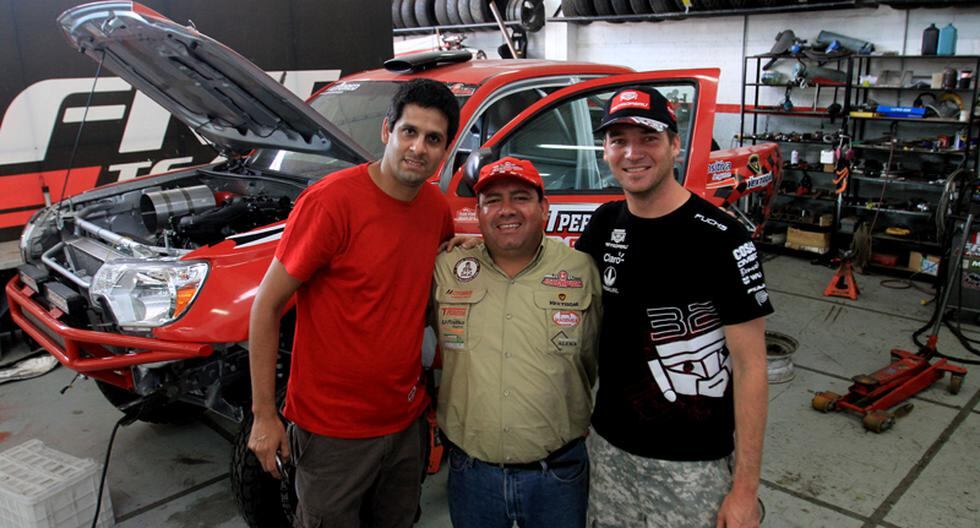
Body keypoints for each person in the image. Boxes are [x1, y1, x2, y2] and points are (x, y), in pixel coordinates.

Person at [247, 78, 459, 528]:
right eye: (409, 131)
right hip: (332, 434)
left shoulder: (436, 210)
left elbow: (422, 307)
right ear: (387, 131)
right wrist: (264, 414)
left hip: (405, 424)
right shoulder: (330, 204)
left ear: (445, 149)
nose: (418, 147)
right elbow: (266, 307)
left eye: (433, 138)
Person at [575, 86, 773, 528]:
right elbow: (554, 277)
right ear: (605, 149)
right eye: (618, 140)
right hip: (608, 453)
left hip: (693, 467)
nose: (632, 153)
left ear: (675, 144)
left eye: (648, 138)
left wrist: (745, 490)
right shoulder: (605, 224)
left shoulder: (721, 239)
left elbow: (751, 368)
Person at [432, 156, 602, 528]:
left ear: (544, 207)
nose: (506, 210)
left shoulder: (581, 269)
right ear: (477, 213)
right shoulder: (448, 267)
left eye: (520, 197)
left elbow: (596, 358)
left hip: (557, 475)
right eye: (492, 201)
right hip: (472, 474)